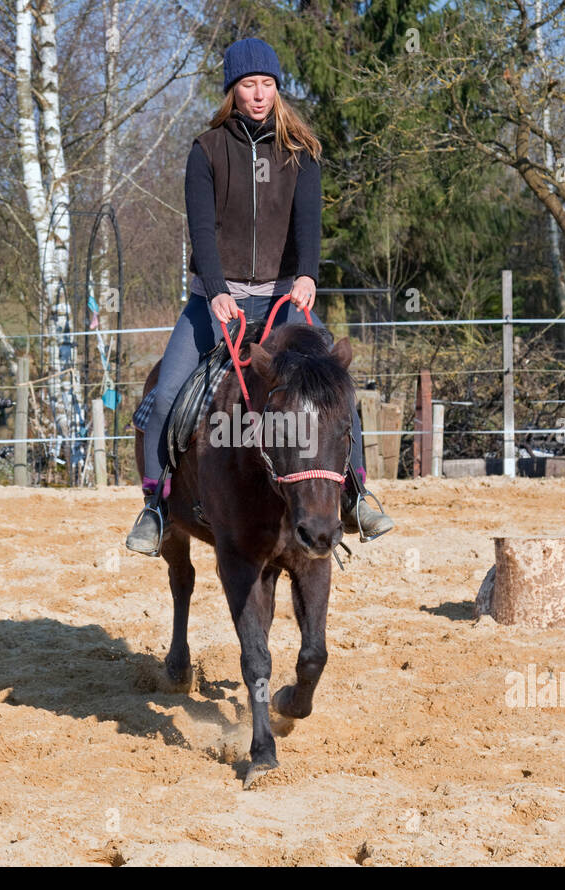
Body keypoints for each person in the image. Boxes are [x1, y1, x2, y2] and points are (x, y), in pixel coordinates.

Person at [126, 36, 394, 555]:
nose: (258, 94)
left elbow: (308, 226)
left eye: (267, 84)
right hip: (216, 302)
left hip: (281, 302)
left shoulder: (301, 152)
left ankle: (358, 494)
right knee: (164, 398)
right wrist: (218, 290)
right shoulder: (206, 151)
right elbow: (202, 230)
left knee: (337, 389)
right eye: (248, 84)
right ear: (233, 89)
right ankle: (155, 507)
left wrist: (307, 276)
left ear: (277, 88)